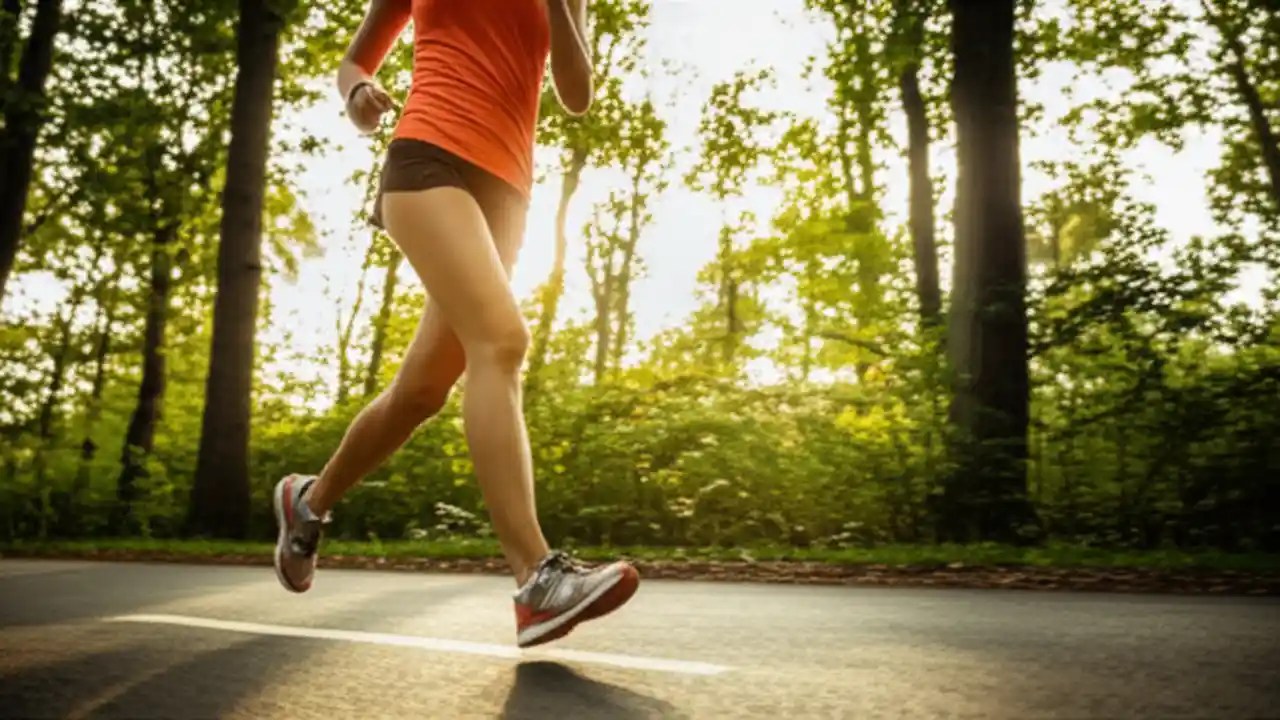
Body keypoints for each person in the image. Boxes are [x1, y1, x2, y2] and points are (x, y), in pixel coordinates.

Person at [271, 0, 639, 649]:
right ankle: (536, 578)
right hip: (427, 161)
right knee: (502, 340)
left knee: (421, 392)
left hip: (507, 196)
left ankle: (309, 501)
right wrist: (357, 89)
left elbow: (577, 95)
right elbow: (357, 58)